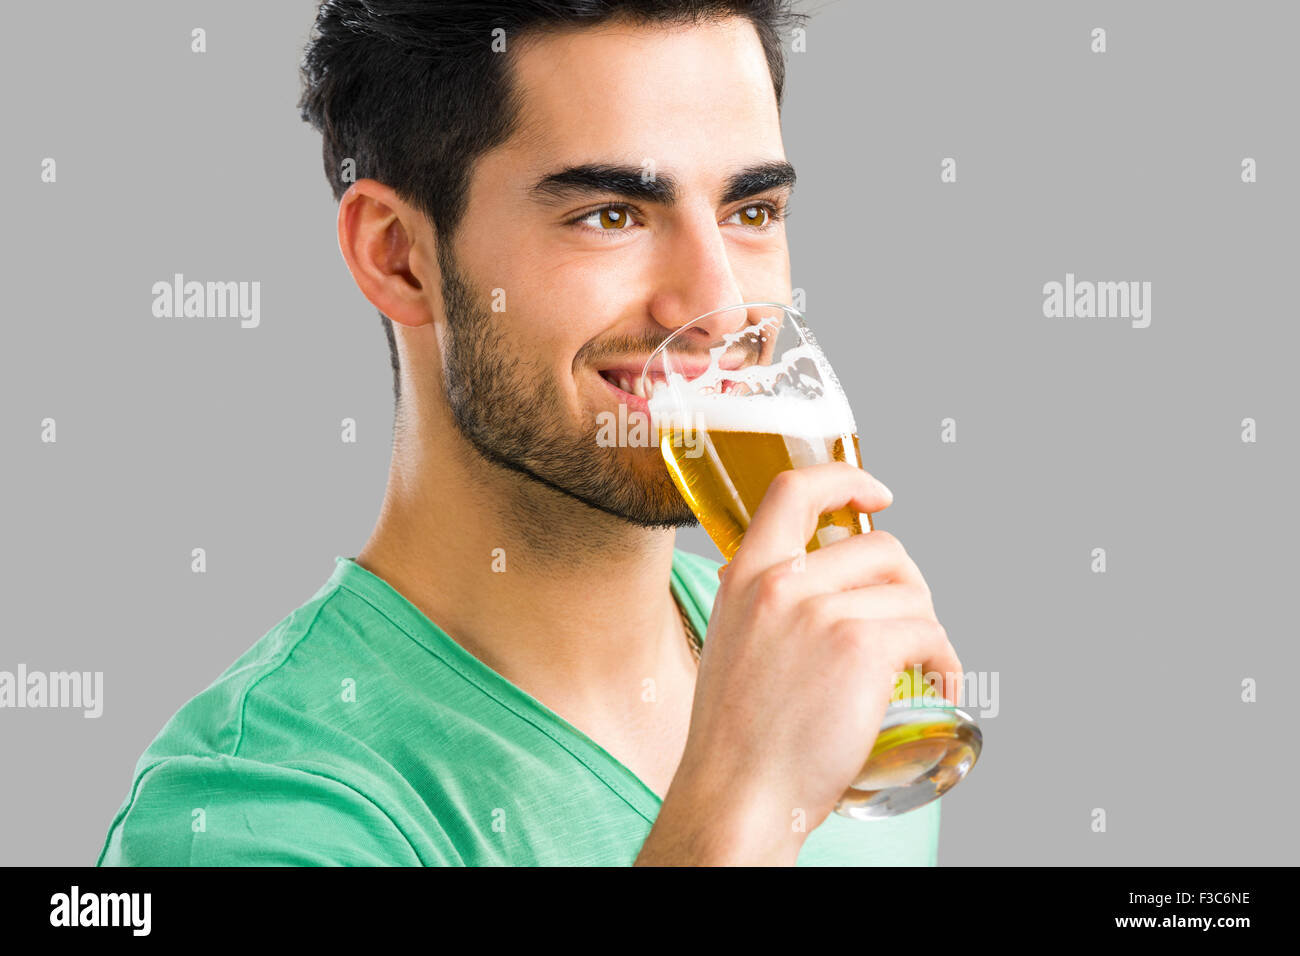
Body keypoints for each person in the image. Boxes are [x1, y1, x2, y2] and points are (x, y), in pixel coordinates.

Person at [97, 0, 962, 866]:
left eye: (752, 211)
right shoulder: (253, 809)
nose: (717, 307)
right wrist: (743, 808)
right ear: (398, 254)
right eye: (611, 215)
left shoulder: (832, 667)